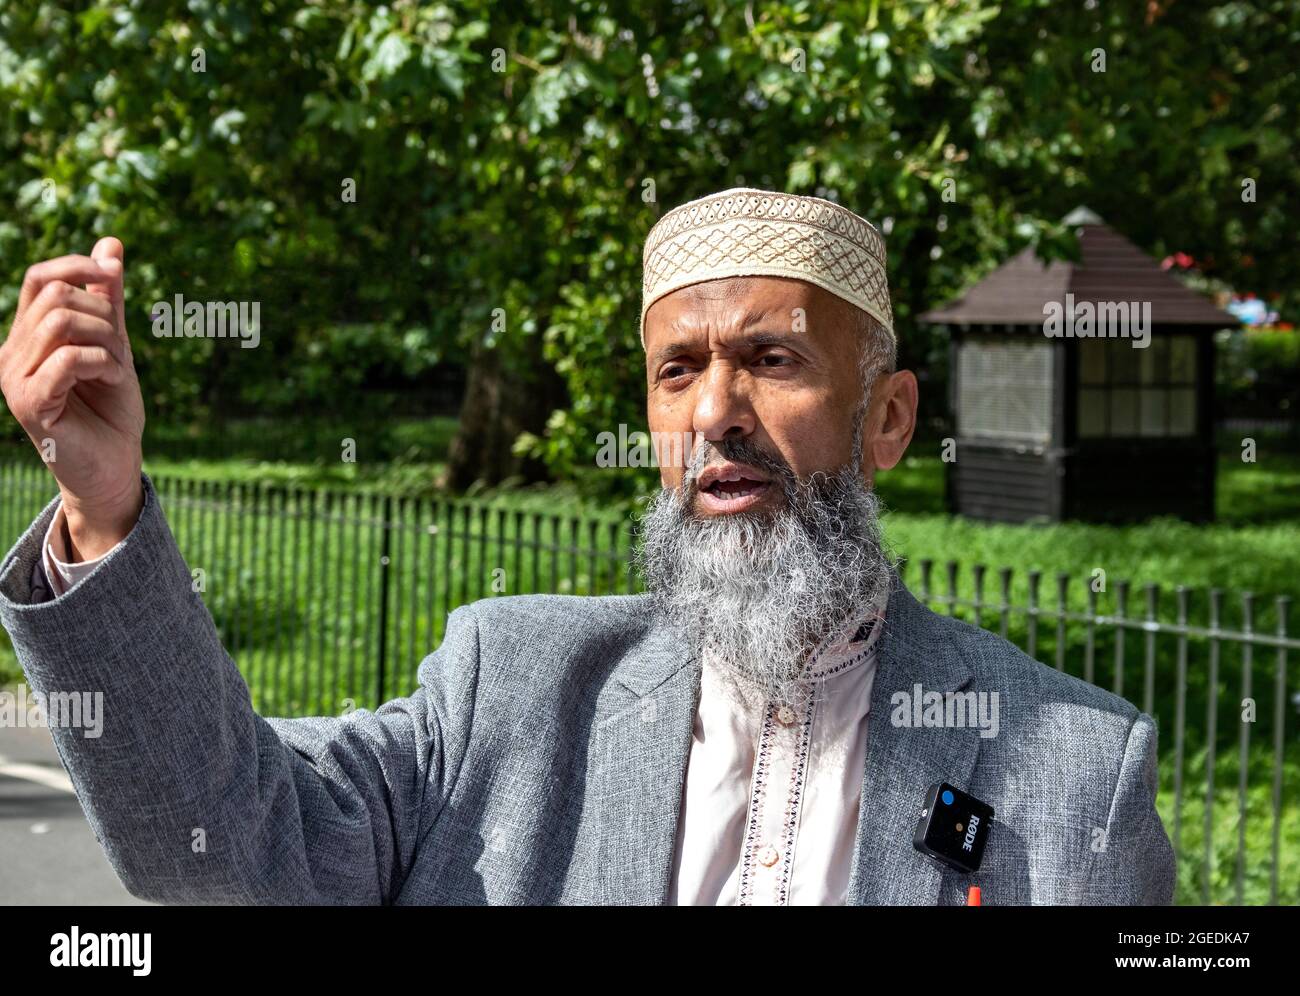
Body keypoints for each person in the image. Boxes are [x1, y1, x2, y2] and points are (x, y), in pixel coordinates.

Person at [0, 187, 1175, 905]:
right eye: (678, 371)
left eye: (770, 361)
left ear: (888, 419)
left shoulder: (1069, 768)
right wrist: (102, 505)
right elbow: (221, 844)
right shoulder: (507, 685)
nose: (714, 412)